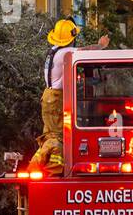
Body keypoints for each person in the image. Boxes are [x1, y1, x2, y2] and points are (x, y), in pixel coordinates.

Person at [29, 19, 109, 172]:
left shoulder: (53, 51)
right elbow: (86, 51)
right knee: (57, 137)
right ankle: (42, 167)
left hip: (49, 96)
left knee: (50, 135)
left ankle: (45, 166)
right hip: (56, 98)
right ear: (71, 38)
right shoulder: (66, 52)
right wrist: (101, 45)